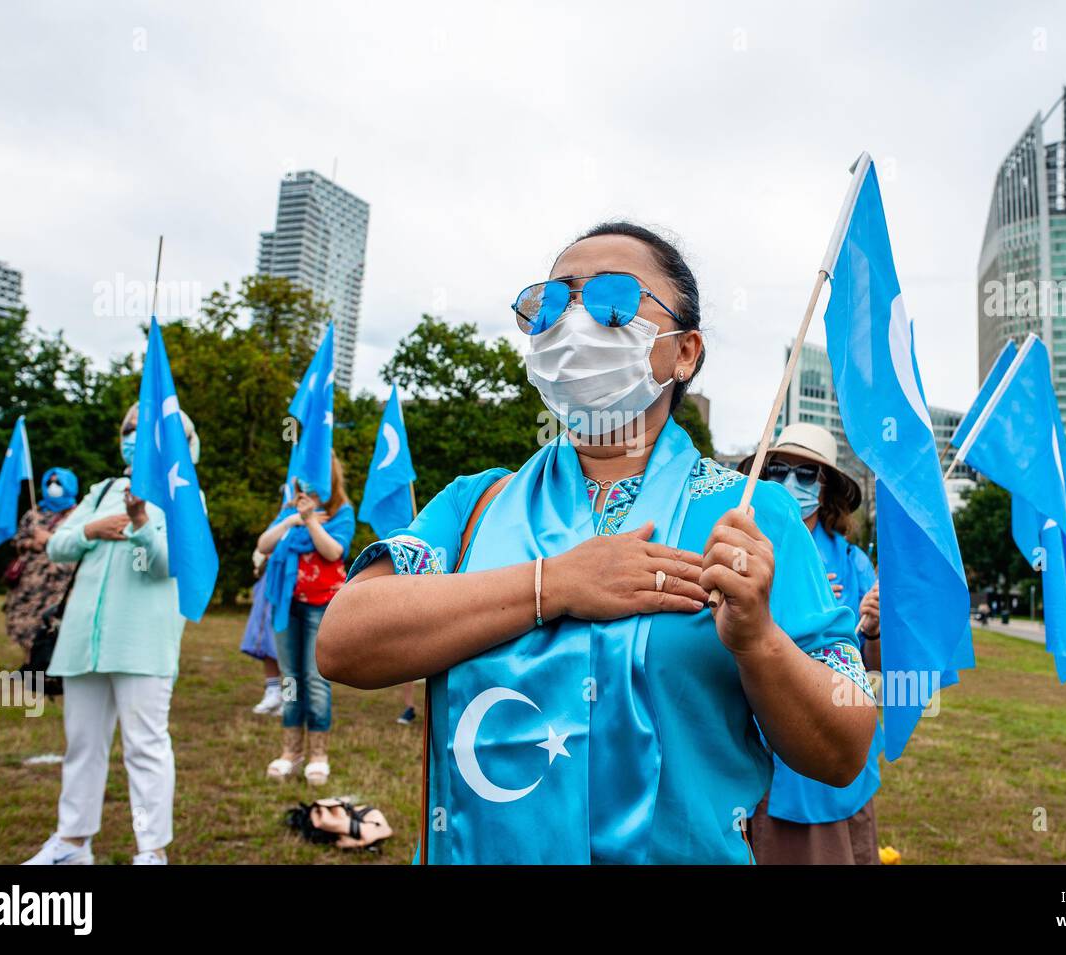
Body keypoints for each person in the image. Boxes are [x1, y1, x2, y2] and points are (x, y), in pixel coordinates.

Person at [317, 221, 876, 864]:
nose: (575, 320)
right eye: (552, 302)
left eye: (612, 299)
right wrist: (554, 584)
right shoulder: (475, 504)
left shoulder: (753, 514)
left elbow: (842, 749)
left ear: (685, 352)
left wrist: (759, 644)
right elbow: (342, 642)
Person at [23, 405, 199, 866]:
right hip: (83, 639)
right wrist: (89, 528)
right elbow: (57, 547)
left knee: (145, 748)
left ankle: (150, 849)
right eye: (127, 429)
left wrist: (141, 525)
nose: (132, 437)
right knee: (81, 745)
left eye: (144, 432)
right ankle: (72, 843)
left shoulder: (183, 495)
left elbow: (170, 566)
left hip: (141, 643)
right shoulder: (103, 489)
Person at [739, 423, 885, 864]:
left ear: (826, 491)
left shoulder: (854, 562)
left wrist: (874, 629)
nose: (790, 483)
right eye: (779, 469)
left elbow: (878, 676)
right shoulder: (737, 544)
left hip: (822, 766)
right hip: (745, 748)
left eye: (806, 475)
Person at [256, 454, 355, 785]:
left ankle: (318, 755)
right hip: (286, 605)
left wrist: (311, 520)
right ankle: (290, 752)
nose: (308, 483)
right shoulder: (288, 510)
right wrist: (290, 521)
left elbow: (334, 552)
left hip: (322, 605)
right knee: (290, 678)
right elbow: (264, 544)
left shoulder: (341, 512)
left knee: (315, 679)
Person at [3, 468, 79, 665]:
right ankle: (31, 665)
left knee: (54, 625)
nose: (53, 487)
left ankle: (52, 669)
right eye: (50, 482)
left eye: (58, 483)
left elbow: (81, 543)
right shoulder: (35, 514)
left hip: (62, 583)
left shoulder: (79, 515)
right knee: (26, 624)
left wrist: (51, 540)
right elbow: (17, 542)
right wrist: (31, 544)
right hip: (31, 583)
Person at [240, 547, 283, 715]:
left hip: (290, 592)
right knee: (267, 643)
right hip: (267, 592)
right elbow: (260, 552)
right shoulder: (280, 525)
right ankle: (273, 692)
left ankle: (291, 698)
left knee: (289, 654)